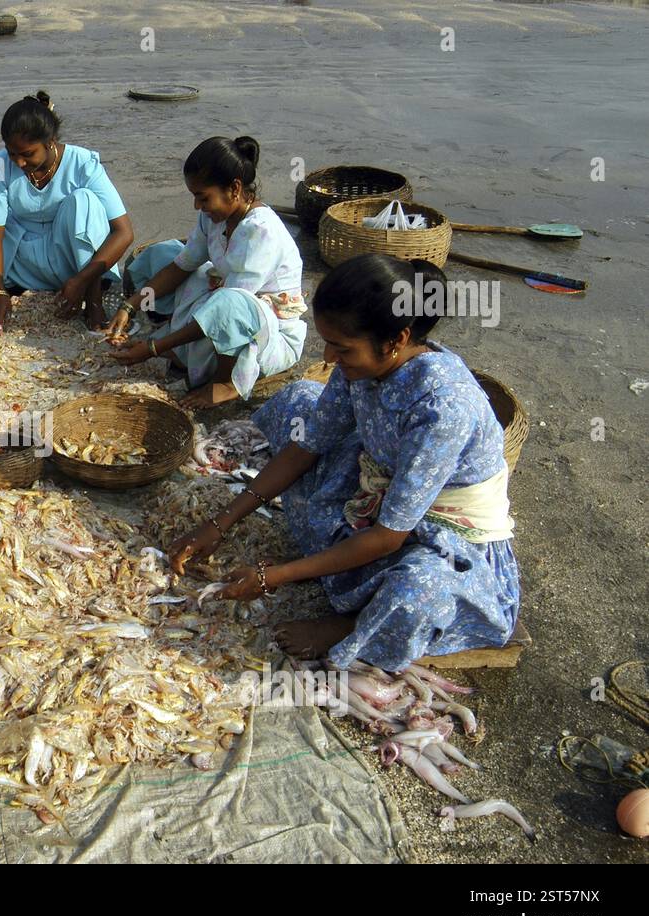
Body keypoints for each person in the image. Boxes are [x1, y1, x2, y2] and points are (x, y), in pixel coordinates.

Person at [168, 255, 521, 671]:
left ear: (395, 340)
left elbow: (389, 535)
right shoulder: (360, 367)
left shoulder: (443, 409)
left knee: (417, 592)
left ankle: (351, 623)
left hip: (443, 530)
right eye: (328, 343)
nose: (329, 357)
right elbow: (307, 447)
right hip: (381, 481)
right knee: (299, 401)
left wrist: (273, 576)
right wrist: (220, 523)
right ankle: (337, 566)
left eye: (341, 348)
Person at [109, 136, 306, 408]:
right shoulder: (213, 219)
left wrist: (155, 348)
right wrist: (129, 306)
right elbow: (182, 265)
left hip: (266, 335)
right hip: (226, 301)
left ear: (234, 188)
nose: (197, 206)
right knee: (162, 254)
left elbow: (227, 311)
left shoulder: (260, 232)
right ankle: (184, 345)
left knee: (227, 303)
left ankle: (225, 381)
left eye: (203, 198)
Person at [0, 91, 134, 336]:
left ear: (50, 142)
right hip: (18, 258)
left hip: (71, 262)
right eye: (12, 153)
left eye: (27, 154)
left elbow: (123, 232)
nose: (18, 162)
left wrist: (81, 280)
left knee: (83, 201)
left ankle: (92, 301)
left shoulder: (83, 163)